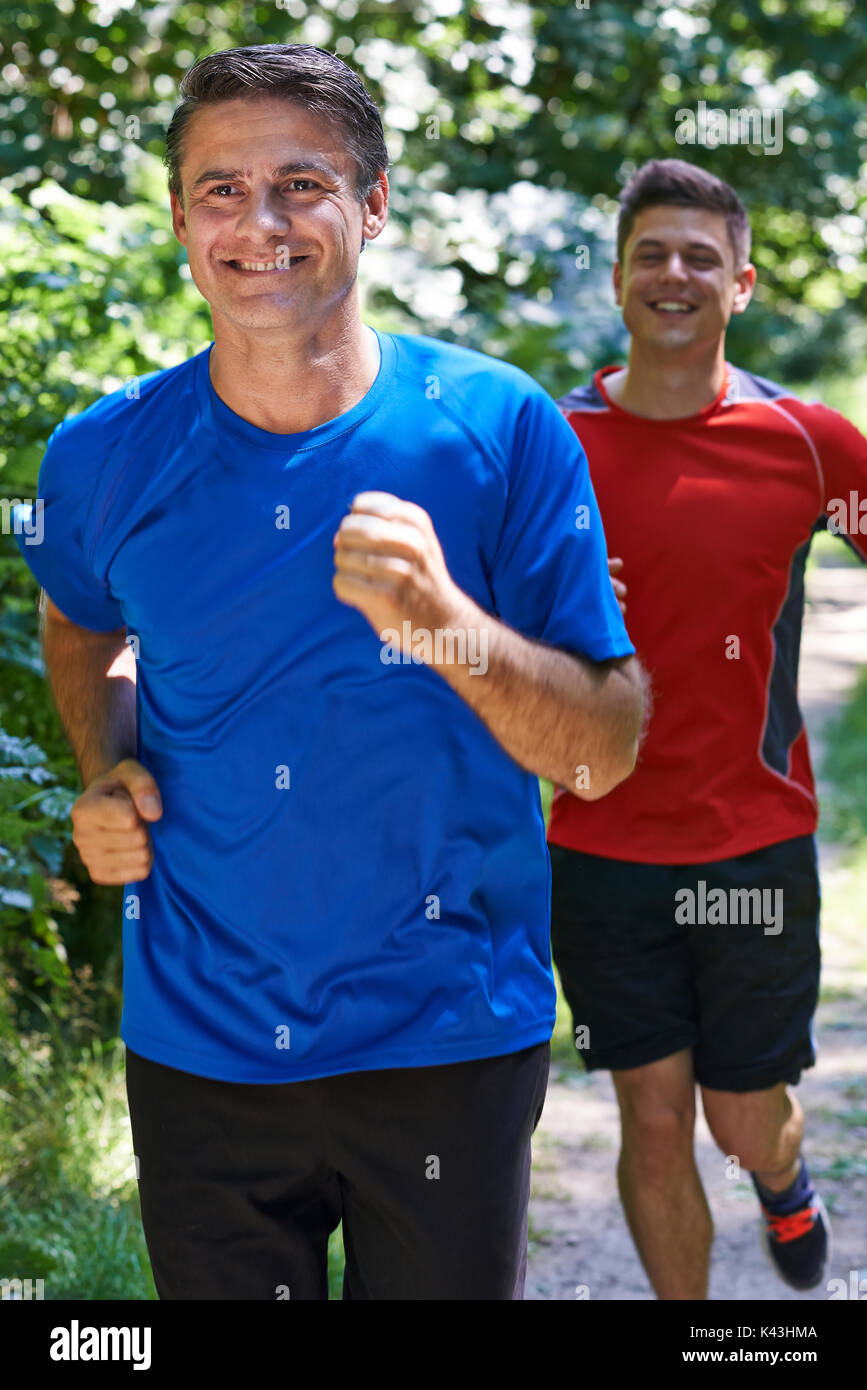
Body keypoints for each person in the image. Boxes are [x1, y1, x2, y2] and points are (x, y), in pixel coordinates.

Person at [14, 43, 645, 1301]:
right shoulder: (99, 454)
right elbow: (78, 621)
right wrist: (108, 767)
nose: (259, 223)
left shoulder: (500, 426)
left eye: (302, 183)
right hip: (200, 1038)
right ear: (181, 215)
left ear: (373, 204)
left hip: (448, 1029)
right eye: (219, 189)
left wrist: (444, 621)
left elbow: (603, 749)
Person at [548, 157, 867, 1300]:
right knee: (649, 1114)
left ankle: (783, 1185)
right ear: (622, 278)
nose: (673, 274)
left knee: (739, 1119)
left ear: (738, 284)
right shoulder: (551, 443)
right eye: (651, 253)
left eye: (699, 256)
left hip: (752, 843)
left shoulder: (812, 443)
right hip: (594, 847)